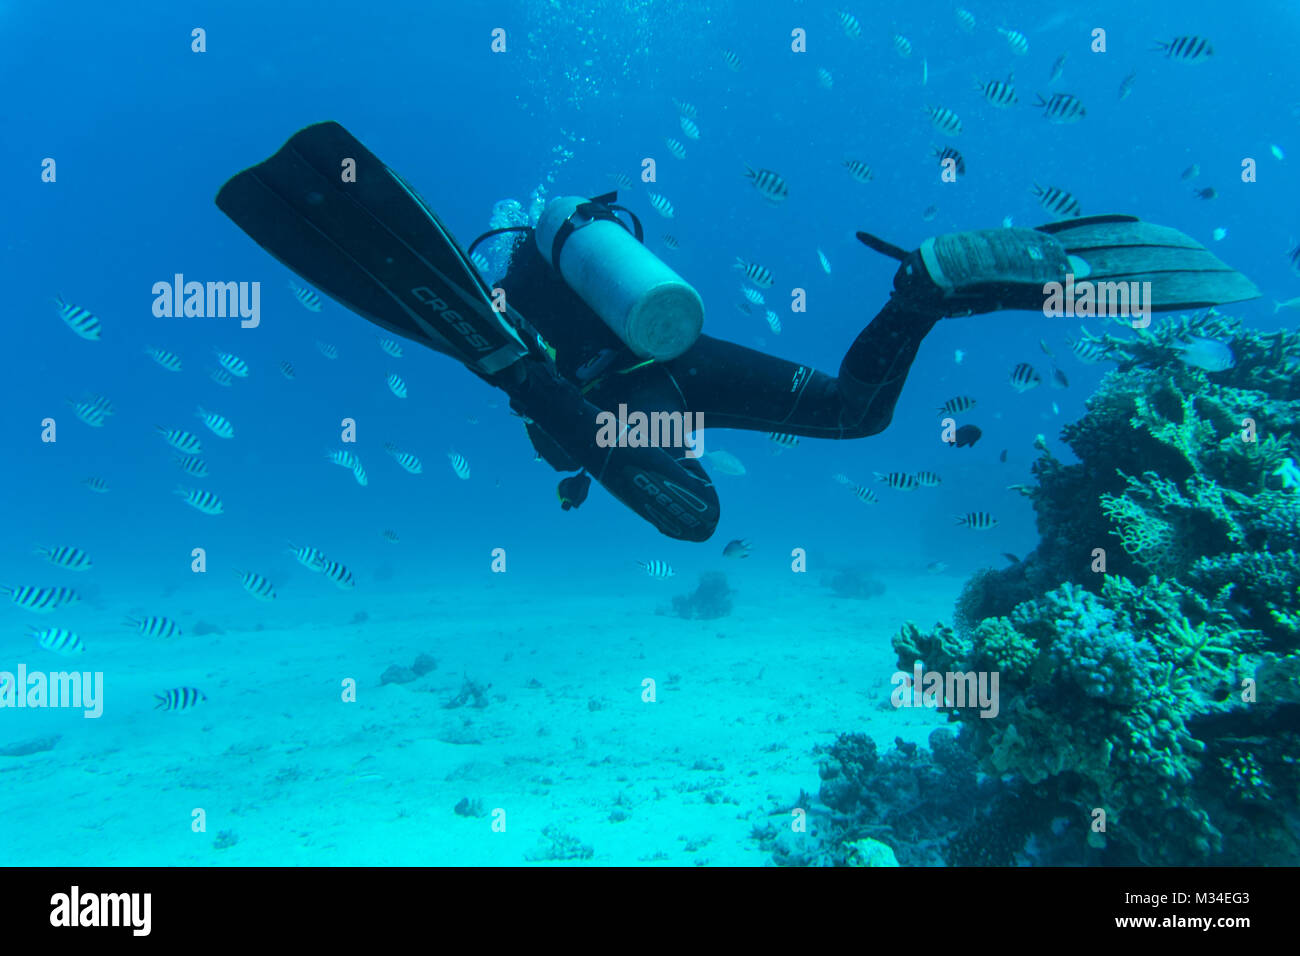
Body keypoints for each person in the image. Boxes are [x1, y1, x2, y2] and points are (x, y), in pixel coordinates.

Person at [216, 122, 1260, 542]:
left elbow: (609, 453)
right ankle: (921, 292)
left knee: (691, 512)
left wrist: (531, 385)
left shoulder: (505, 279)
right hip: (680, 349)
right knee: (854, 414)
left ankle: (528, 381)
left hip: (606, 385)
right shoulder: (569, 248)